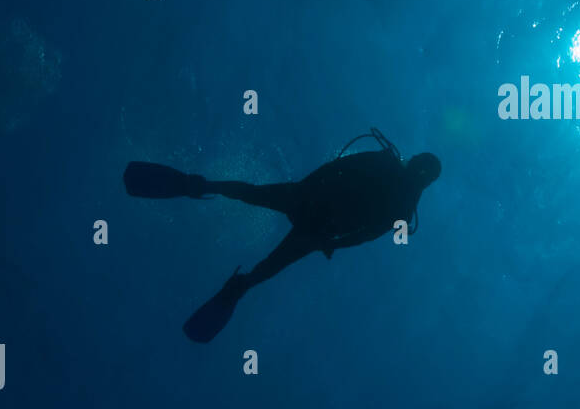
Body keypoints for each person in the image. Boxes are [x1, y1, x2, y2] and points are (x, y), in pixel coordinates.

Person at [124, 129, 440, 342]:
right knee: (275, 262)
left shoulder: (386, 165)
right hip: (321, 226)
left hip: (311, 203)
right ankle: (242, 285)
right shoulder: (404, 205)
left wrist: (305, 190)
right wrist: (333, 243)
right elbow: (368, 233)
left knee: (251, 194)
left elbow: (337, 167)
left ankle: (199, 186)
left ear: (415, 162)